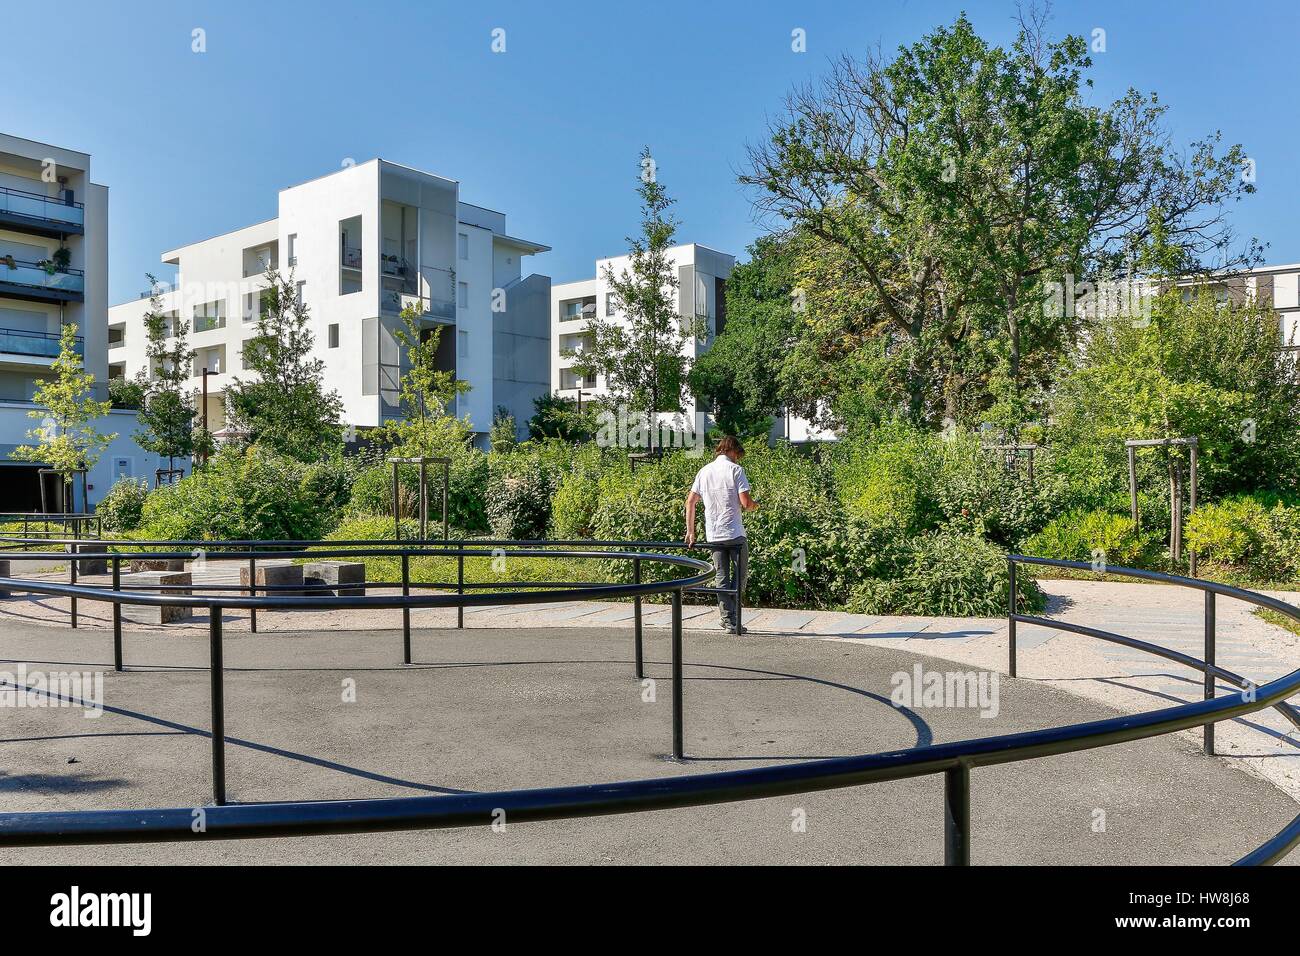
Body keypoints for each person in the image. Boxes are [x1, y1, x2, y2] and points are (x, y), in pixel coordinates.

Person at [685, 435, 758, 633]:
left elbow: (690, 502)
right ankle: (732, 618)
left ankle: (728, 618)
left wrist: (691, 532)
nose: (738, 458)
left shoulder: (704, 471)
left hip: (714, 535)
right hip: (734, 534)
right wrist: (755, 505)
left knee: (721, 577)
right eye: (738, 454)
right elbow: (745, 503)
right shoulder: (736, 470)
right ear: (733, 451)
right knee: (740, 576)